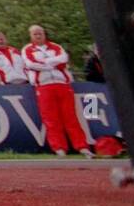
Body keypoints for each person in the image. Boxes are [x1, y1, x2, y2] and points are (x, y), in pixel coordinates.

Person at [22, 24, 92, 157]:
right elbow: (31, 64)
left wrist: (44, 63)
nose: (38, 36)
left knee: (71, 117)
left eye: (40, 33)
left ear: (44, 34)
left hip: (62, 84)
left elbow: (63, 60)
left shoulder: (55, 46)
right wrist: (52, 64)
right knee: (51, 119)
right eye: (35, 34)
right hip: (43, 86)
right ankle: (59, 148)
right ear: (31, 36)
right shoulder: (27, 49)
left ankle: (82, 146)